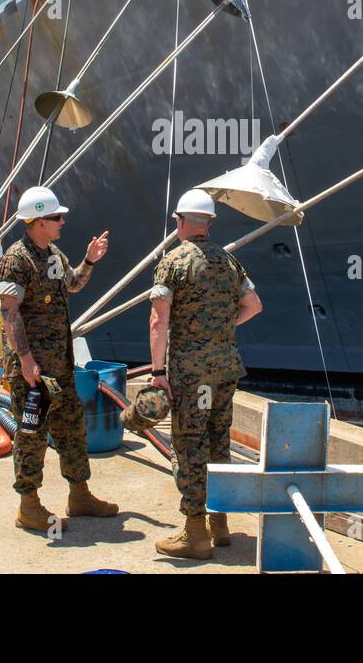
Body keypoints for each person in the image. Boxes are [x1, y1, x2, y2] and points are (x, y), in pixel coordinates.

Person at [0, 185, 118, 533]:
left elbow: (74, 284)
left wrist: (90, 259)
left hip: (60, 364)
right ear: (36, 221)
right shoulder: (16, 260)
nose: (62, 222)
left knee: (73, 427)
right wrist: (25, 359)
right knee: (32, 433)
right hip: (33, 370)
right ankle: (28, 505)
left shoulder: (53, 254)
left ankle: (80, 495)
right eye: (55, 217)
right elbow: (10, 313)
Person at [149, 189, 262, 560]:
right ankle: (221, 522)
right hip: (226, 367)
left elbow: (158, 320)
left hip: (189, 372)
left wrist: (157, 372)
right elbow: (254, 306)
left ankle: (195, 533)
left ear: (181, 222)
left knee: (189, 444)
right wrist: (221, 329)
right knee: (218, 442)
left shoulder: (173, 262)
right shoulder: (230, 262)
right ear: (208, 223)